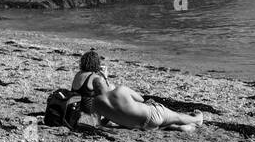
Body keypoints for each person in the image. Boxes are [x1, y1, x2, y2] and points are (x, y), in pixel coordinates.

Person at [71, 49, 203, 132]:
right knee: (176, 116)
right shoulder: (118, 89)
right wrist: (105, 78)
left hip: (134, 124)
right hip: (150, 116)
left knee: (158, 122)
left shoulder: (97, 104)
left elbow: (101, 121)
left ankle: (180, 127)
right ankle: (197, 119)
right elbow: (141, 99)